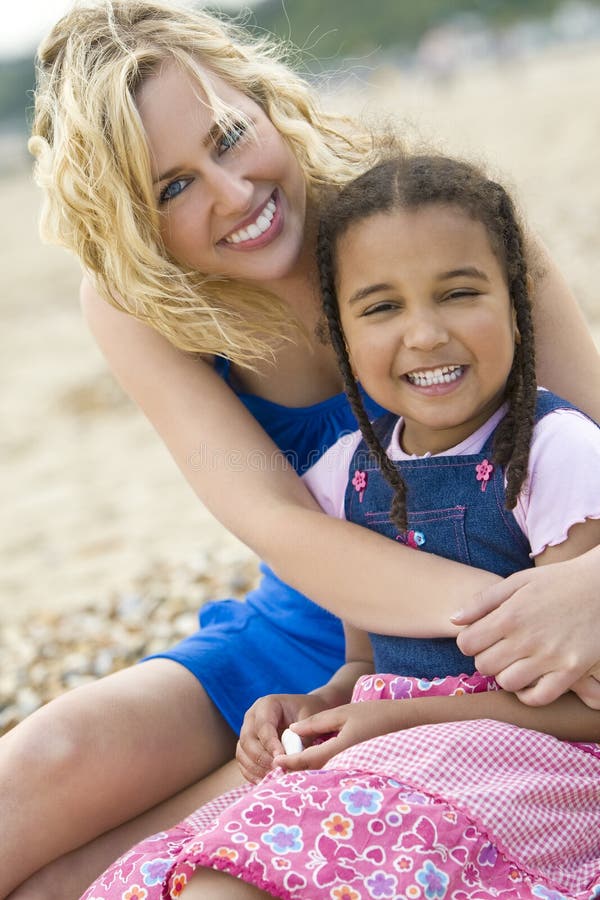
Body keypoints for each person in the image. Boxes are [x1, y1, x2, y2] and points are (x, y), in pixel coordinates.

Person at [5, 0, 599, 895]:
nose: (233, 193)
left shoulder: (433, 218)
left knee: (90, 875)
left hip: (495, 628)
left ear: (264, 99)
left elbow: (592, 438)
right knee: (43, 761)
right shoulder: (136, 301)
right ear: (133, 224)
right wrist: (519, 620)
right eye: (173, 188)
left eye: (230, 137)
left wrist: (580, 596)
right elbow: (284, 527)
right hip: (320, 628)